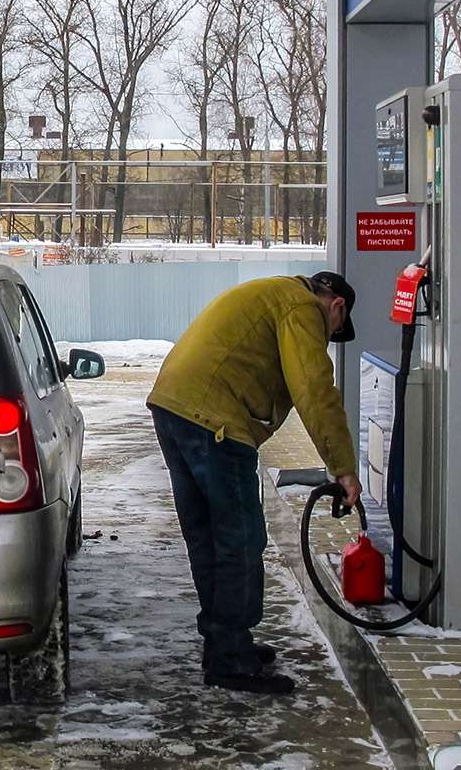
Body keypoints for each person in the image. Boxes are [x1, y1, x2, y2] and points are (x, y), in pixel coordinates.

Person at [147, 271, 362, 695]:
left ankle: (224, 642)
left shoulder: (275, 293)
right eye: (335, 330)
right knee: (240, 538)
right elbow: (314, 388)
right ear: (337, 305)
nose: (329, 336)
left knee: (208, 537)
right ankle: (231, 660)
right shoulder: (303, 307)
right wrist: (343, 468)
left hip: (174, 407)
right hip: (214, 421)